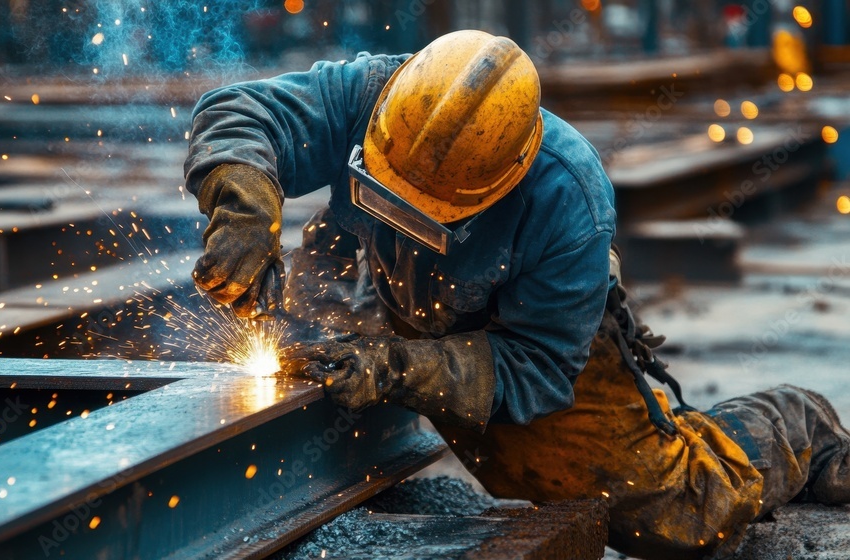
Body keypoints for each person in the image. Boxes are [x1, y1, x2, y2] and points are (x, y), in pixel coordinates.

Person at [183, 30, 850, 559]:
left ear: (490, 191)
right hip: (381, 285)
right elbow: (241, 110)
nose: (395, 210)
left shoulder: (568, 203)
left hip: (522, 337)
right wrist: (244, 209)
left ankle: (798, 422)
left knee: (672, 514)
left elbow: (535, 366)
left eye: (416, 211)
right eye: (380, 189)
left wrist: (395, 368)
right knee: (308, 360)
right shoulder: (383, 94)